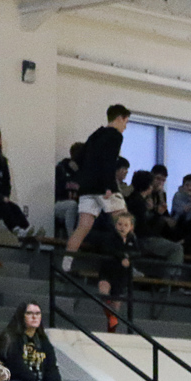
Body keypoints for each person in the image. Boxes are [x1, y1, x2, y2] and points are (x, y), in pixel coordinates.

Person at [61, 105, 130, 273]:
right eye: (126, 122)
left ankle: (65, 264)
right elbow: (109, 161)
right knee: (125, 222)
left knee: (83, 226)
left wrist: (86, 176)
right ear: (119, 118)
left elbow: (78, 158)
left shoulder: (96, 134)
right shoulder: (115, 136)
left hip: (87, 187)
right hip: (104, 186)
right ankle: (127, 263)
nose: (125, 126)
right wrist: (107, 185)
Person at [94, 211, 139, 333]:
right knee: (103, 291)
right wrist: (122, 257)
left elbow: (138, 252)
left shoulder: (132, 239)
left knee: (116, 306)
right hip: (108, 271)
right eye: (119, 224)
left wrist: (129, 257)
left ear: (131, 227)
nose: (122, 227)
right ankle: (111, 317)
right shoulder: (110, 237)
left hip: (121, 276)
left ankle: (111, 331)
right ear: (115, 225)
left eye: (125, 225)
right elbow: (108, 249)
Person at [53, 142, 84, 237]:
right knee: (72, 205)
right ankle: (72, 237)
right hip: (59, 204)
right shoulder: (61, 169)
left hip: (76, 206)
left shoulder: (84, 173)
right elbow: (57, 190)